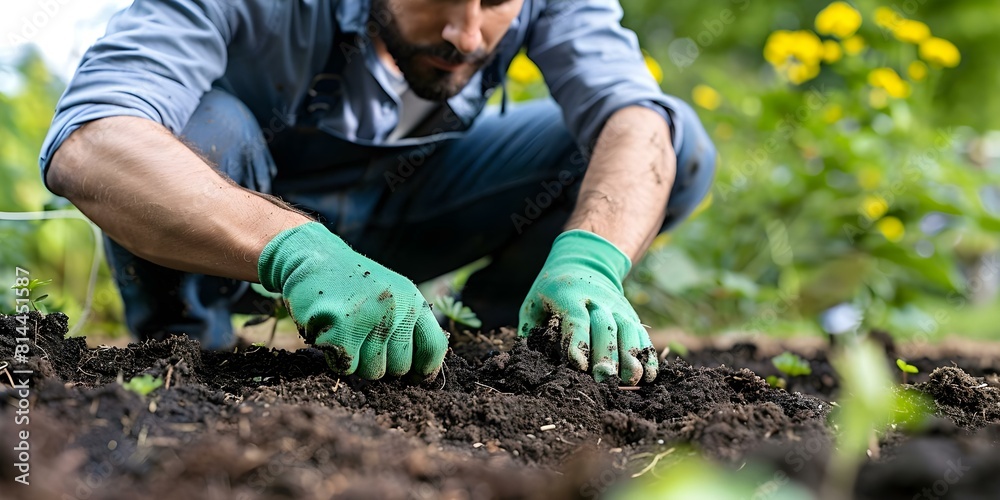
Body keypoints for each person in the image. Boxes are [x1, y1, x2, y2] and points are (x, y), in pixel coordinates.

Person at [41, 0, 715, 385]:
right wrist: (295, 250)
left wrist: (592, 259)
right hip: (240, 231)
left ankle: (503, 344)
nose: (466, 35)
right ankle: (190, 354)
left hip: (413, 204)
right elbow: (92, 139)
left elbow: (634, 115)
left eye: (495, 4)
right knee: (194, 129)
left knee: (665, 140)